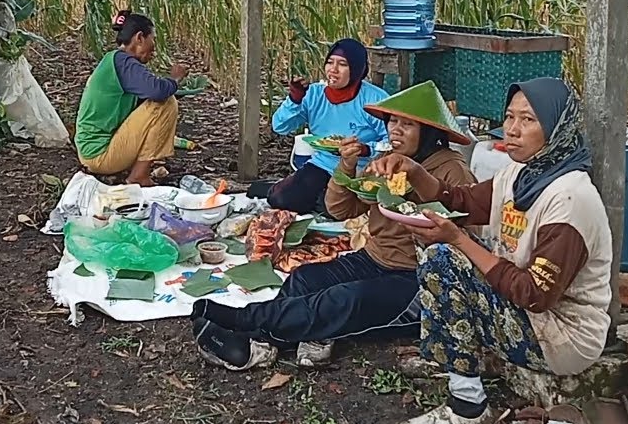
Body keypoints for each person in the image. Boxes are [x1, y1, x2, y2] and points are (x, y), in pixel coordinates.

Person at [369, 78, 612, 424]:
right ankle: (464, 381)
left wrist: (458, 240)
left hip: (562, 336)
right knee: (440, 253)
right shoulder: (520, 172)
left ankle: (467, 406)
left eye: (528, 120)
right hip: (524, 309)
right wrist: (415, 172)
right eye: (510, 117)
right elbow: (462, 202)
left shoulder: (570, 198)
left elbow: (534, 294)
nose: (511, 129)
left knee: (444, 258)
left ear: (557, 127)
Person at [192, 82, 474, 371]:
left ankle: (249, 328)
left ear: (430, 132)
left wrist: (418, 189)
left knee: (344, 300)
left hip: (418, 278)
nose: (395, 130)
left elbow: (465, 226)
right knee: (304, 279)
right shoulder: (385, 160)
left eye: (407, 124)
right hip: (375, 258)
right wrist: (347, 168)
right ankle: (265, 340)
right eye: (392, 121)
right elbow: (341, 210)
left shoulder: (452, 169)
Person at [268, 38, 388, 214]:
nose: (333, 69)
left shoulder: (375, 99)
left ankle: (322, 200)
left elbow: (391, 141)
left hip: (361, 168)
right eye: (330, 62)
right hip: (324, 163)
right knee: (279, 199)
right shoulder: (314, 94)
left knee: (335, 209)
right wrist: (294, 99)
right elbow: (280, 126)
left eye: (342, 64)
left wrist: (365, 149)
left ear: (356, 69)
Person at [74, 10, 187, 187]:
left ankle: (137, 169)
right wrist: (175, 79)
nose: (154, 48)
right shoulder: (123, 62)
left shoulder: (114, 60)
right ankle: (138, 176)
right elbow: (157, 91)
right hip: (99, 155)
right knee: (166, 102)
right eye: (153, 39)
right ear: (140, 38)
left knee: (161, 101)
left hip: (92, 152)